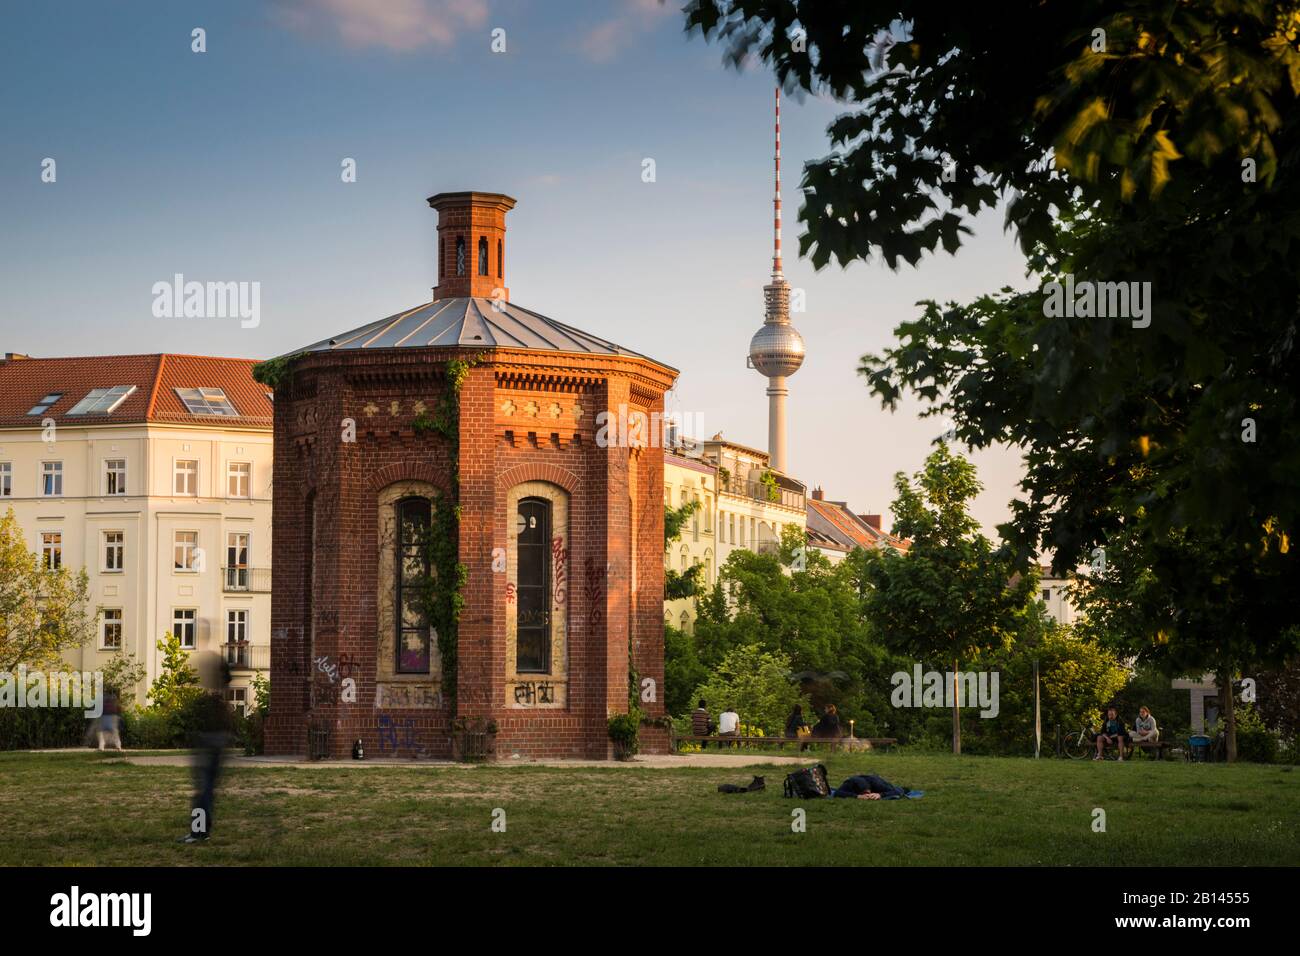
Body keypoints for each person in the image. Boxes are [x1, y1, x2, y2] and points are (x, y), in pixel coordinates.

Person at [179, 652, 233, 844]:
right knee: (206, 790)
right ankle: (201, 831)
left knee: (203, 791)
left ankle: (199, 832)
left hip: (210, 743)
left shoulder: (215, 700)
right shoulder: (221, 700)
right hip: (214, 742)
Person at [831, 773, 907, 800]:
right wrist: (856, 796)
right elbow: (837, 793)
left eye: (868, 792)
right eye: (865, 793)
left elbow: (898, 791)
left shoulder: (877, 784)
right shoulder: (850, 783)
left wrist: (880, 795)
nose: (867, 795)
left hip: (875, 780)